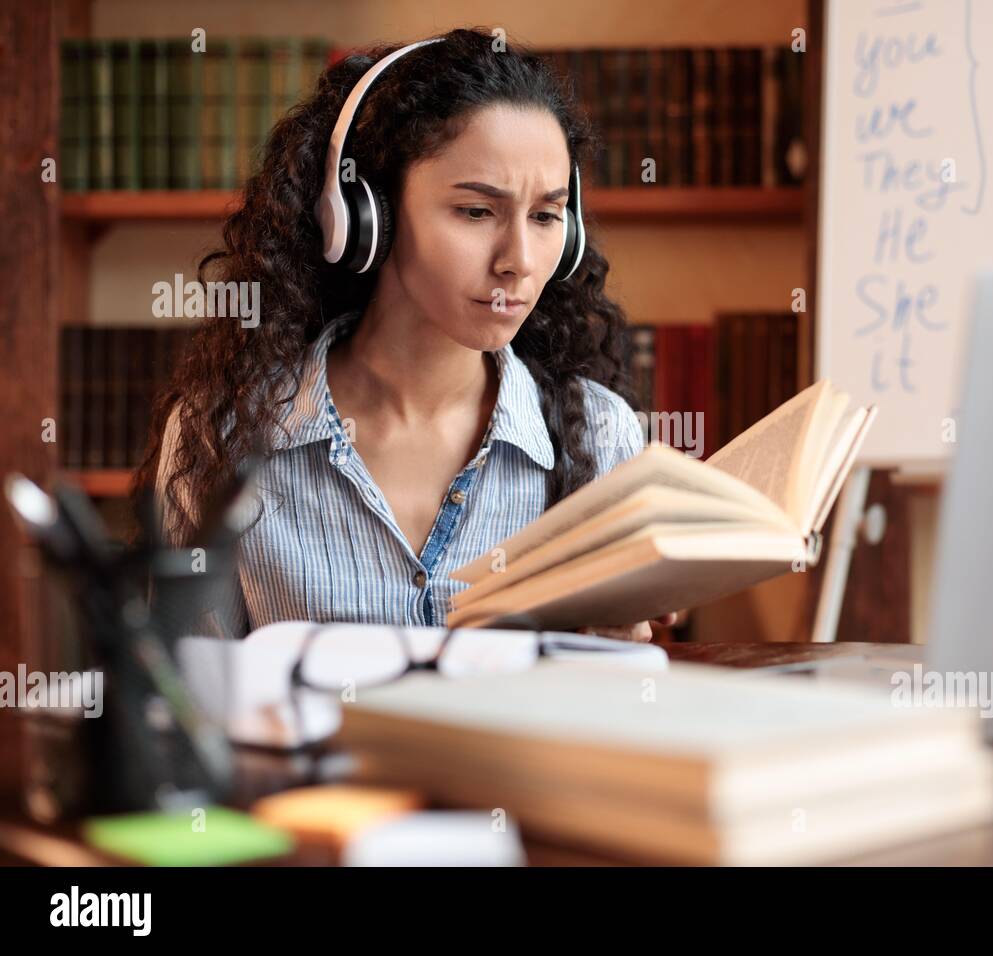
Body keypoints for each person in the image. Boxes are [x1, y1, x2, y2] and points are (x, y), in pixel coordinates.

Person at [135, 28, 675, 641]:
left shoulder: (599, 437)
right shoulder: (221, 436)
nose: (519, 260)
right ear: (366, 217)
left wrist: (615, 657)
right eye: (476, 212)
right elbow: (191, 708)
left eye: (546, 216)